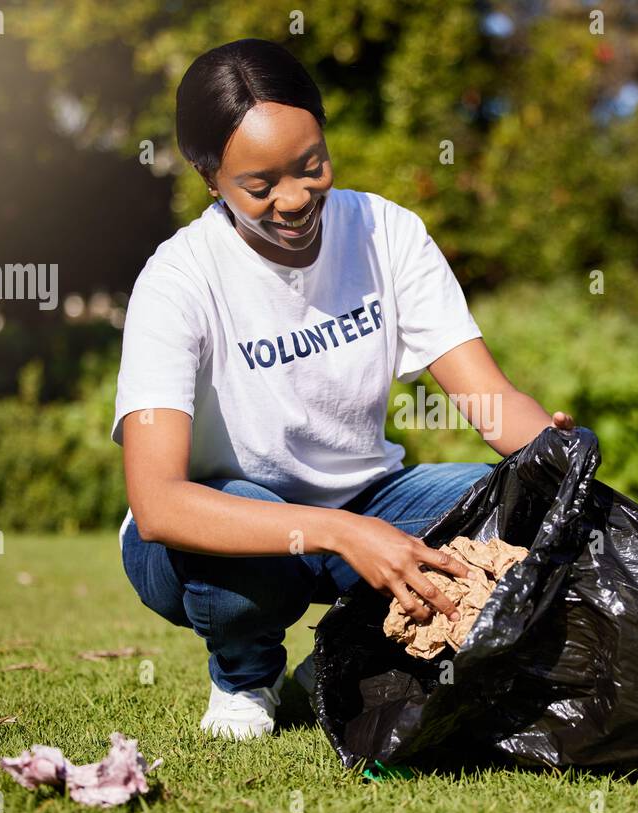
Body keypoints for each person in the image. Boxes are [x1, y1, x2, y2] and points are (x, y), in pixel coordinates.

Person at [113, 38, 574, 741]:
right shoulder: (178, 282)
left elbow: (486, 398)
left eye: (311, 167)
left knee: (498, 501)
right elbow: (158, 503)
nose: (295, 200)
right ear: (210, 179)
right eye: (260, 187)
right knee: (245, 559)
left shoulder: (385, 232)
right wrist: (340, 532)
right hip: (213, 526)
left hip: (365, 495)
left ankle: (345, 651)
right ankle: (245, 674)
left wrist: (553, 456)